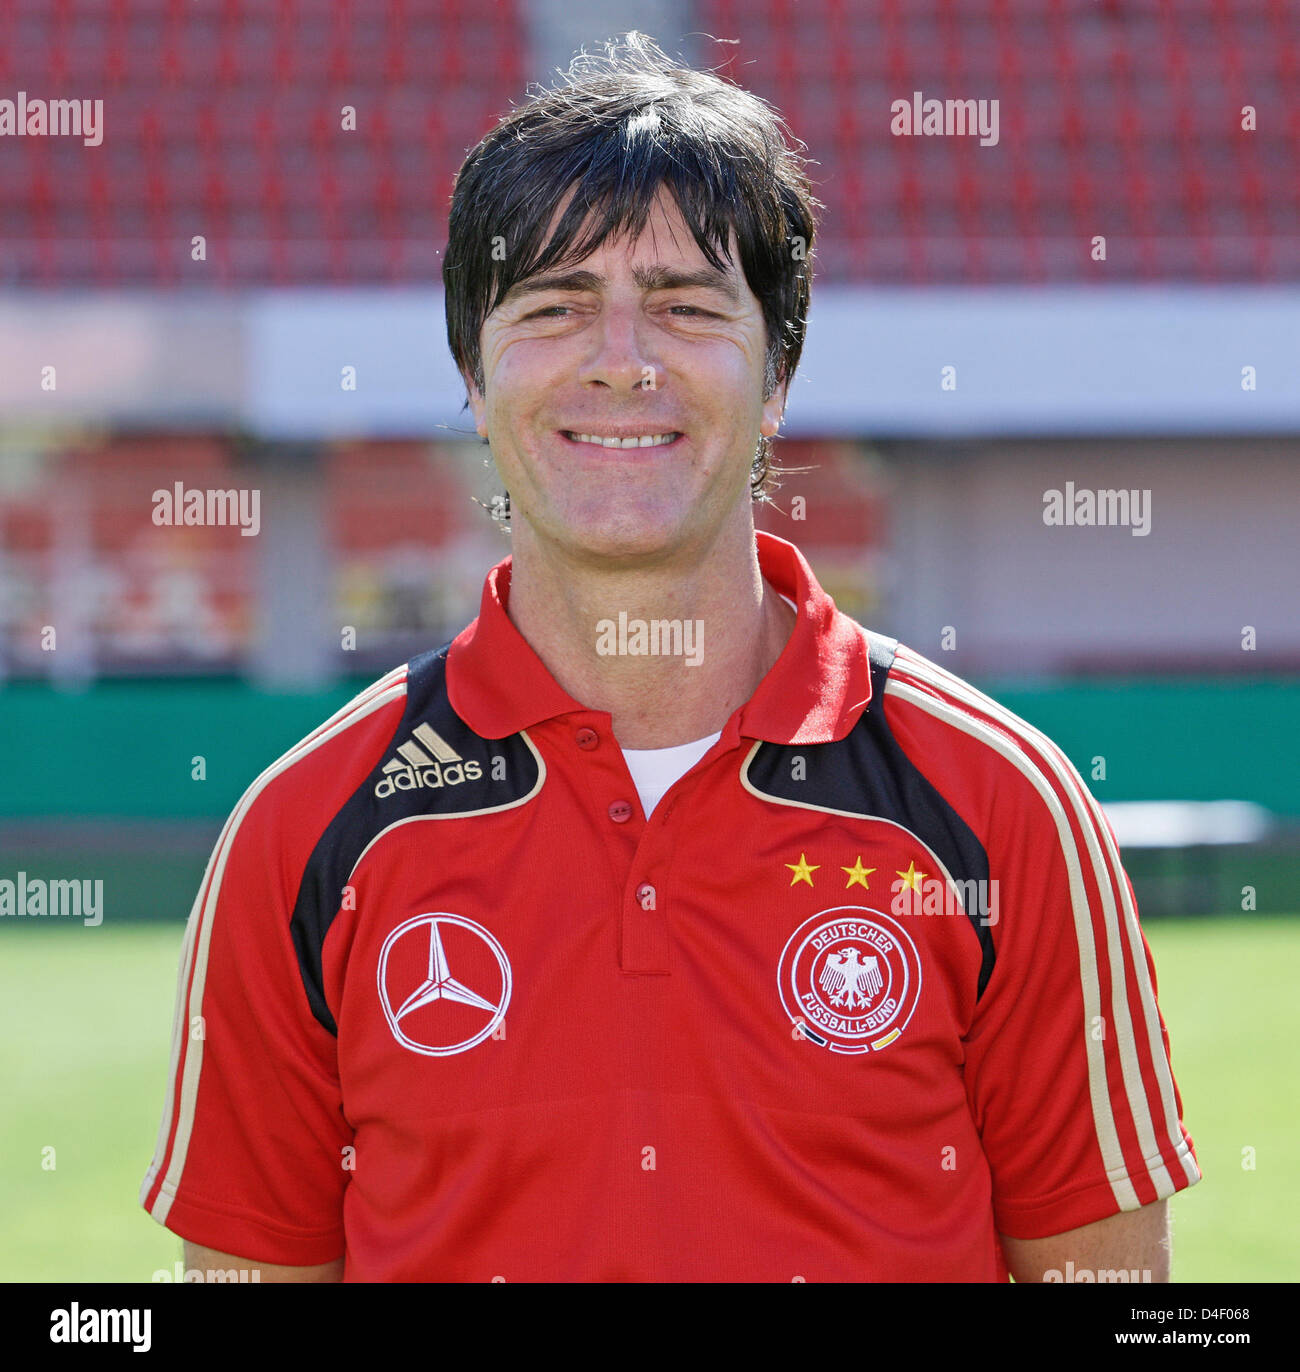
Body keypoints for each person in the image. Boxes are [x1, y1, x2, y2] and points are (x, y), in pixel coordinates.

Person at [140, 31, 1200, 1282]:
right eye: (554, 306)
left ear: (780, 374)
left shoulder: (998, 807)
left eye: (688, 307)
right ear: (474, 380)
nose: (622, 358)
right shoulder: (305, 832)